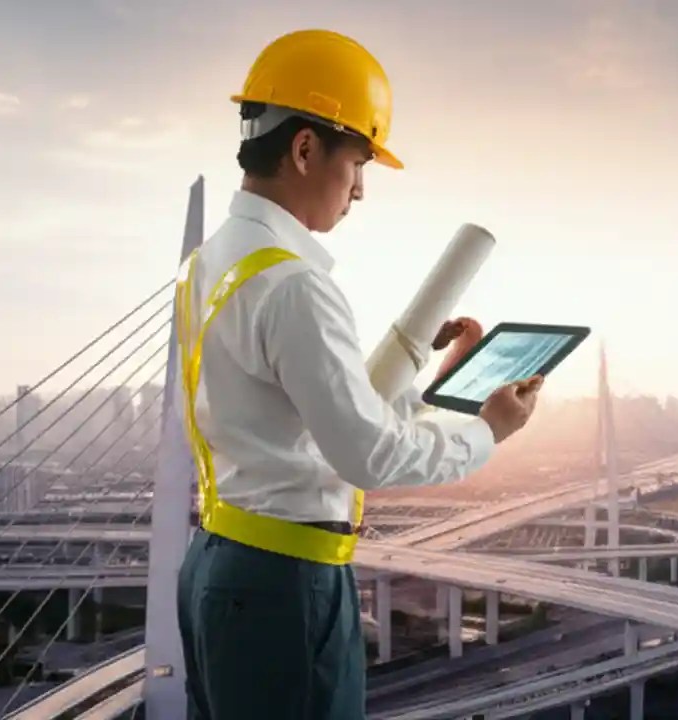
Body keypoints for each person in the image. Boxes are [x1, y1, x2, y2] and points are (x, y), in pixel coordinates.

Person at [173, 28, 543, 720]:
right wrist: (487, 431)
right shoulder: (295, 288)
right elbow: (364, 453)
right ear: (306, 149)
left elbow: (303, 420)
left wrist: (426, 379)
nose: (362, 191)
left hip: (216, 567)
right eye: (358, 163)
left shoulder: (210, 262)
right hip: (286, 585)